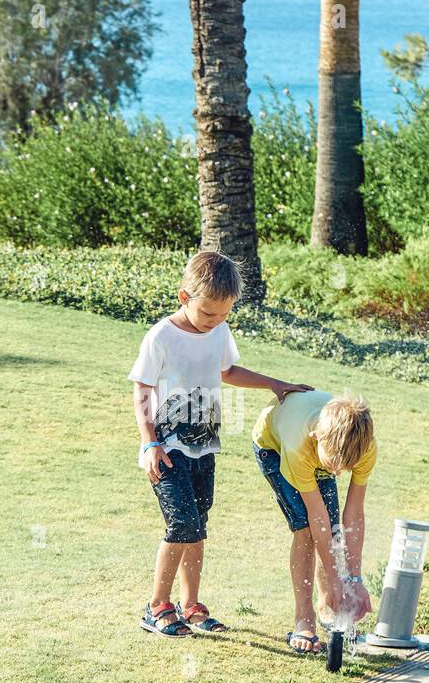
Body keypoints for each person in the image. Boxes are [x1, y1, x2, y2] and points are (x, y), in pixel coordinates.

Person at [129, 251, 311, 637]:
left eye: (224, 314)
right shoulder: (161, 336)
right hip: (167, 449)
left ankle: (191, 605)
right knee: (182, 525)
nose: (216, 321)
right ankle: (157, 606)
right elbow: (142, 388)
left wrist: (274, 383)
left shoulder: (220, 332)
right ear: (184, 297)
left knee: (199, 527)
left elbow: (227, 371)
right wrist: (149, 444)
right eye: (208, 313)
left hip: (204, 448)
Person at [253, 390, 376, 653]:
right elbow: (316, 517)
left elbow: (353, 514)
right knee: (307, 530)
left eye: (344, 467)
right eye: (333, 464)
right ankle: (304, 620)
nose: (336, 473)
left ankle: (326, 608)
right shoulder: (299, 444)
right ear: (316, 436)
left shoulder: (362, 446)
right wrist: (335, 577)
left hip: (315, 451)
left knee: (332, 532)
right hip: (273, 446)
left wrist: (353, 579)